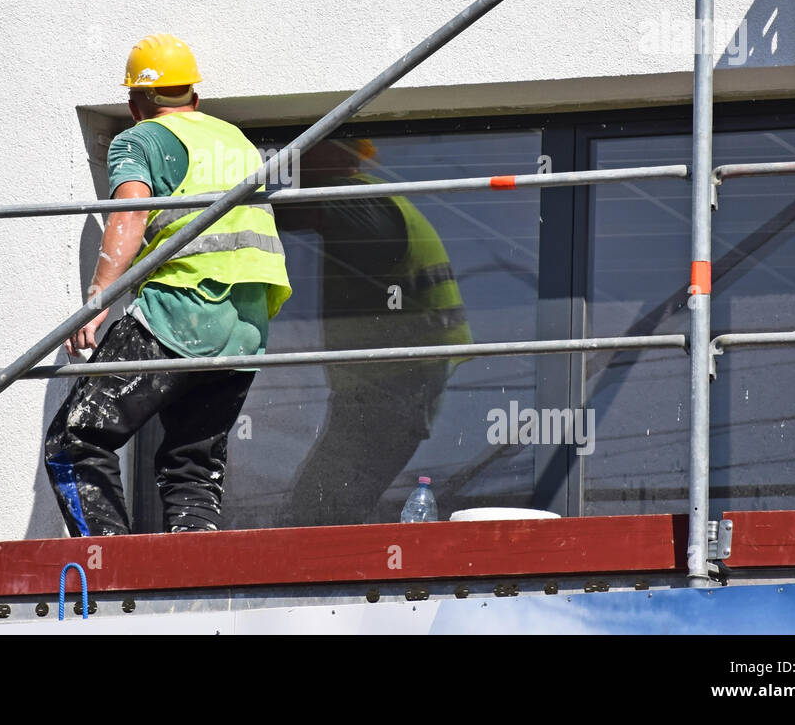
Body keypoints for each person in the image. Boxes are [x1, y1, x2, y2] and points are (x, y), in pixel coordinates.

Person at [44, 34, 291, 537]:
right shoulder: (236, 141)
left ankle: (109, 569)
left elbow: (129, 213)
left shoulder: (141, 139)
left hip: (181, 311)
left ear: (136, 103)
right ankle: (193, 576)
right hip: (246, 329)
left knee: (75, 441)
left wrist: (97, 304)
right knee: (192, 467)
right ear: (194, 98)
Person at [276, 139, 473, 525]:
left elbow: (293, 212)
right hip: (392, 380)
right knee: (329, 502)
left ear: (335, 157)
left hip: (395, 380)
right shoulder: (380, 202)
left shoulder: (363, 201)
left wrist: (230, 201)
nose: (293, 167)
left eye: (301, 157)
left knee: (320, 508)